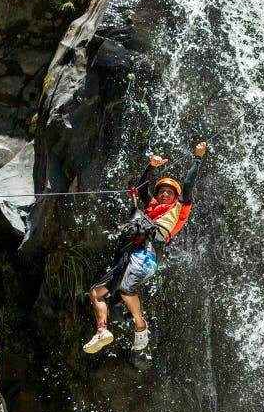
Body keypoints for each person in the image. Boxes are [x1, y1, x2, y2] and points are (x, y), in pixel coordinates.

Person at [82, 141, 207, 354]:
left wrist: (197, 158)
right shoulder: (152, 206)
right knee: (101, 292)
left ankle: (135, 327)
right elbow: (141, 188)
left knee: (120, 289)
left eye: (169, 192)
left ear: (175, 197)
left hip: (147, 255)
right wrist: (151, 167)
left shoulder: (179, 210)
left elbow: (187, 185)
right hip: (134, 256)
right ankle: (107, 329)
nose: (165, 194)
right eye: (161, 191)